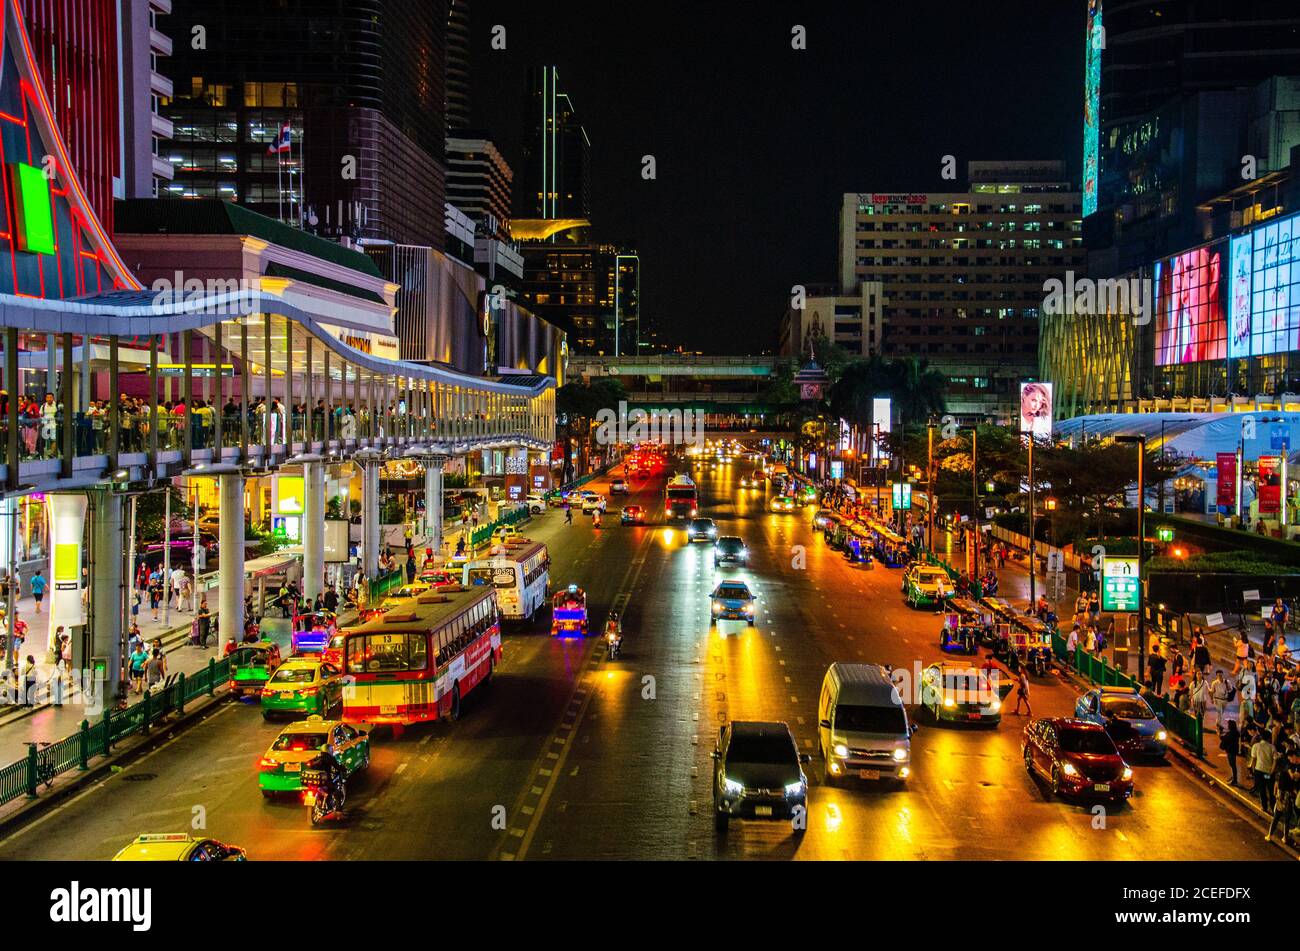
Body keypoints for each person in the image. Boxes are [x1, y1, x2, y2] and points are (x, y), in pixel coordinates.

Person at [1249, 729, 1278, 813]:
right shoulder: (1272, 747)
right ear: (1268, 738)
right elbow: (1275, 760)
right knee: (1270, 790)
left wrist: (1254, 771)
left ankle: (1264, 807)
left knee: (1262, 790)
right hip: (1268, 772)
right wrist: (1272, 771)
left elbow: (1253, 760)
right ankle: (1273, 808)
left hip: (1259, 771)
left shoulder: (1256, 746)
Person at [1221, 719, 1242, 786]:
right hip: (1234, 750)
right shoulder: (1236, 732)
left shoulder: (1229, 734)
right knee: (1232, 764)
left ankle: (1234, 780)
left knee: (1232, 764)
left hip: (1230, 750)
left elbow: (1224, 739)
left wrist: (1219, 734)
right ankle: (1233, 776)